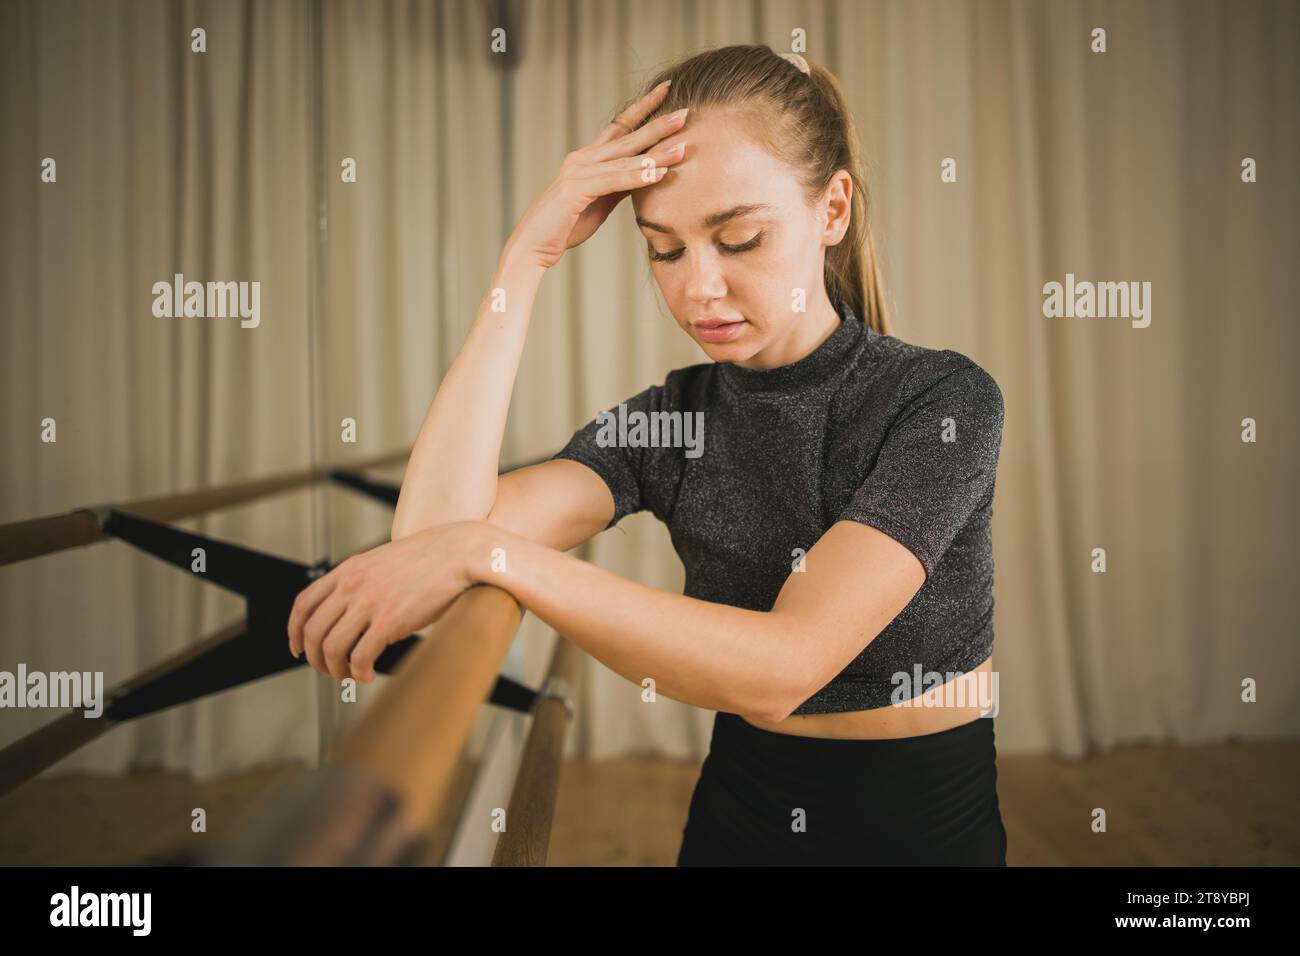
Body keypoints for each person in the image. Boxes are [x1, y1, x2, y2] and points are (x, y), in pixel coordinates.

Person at [288, 44, 1008, 866]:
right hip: (742, 817)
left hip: (925, 833)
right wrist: (524, 262)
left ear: (832, 209)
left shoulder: (942, 400)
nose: (698, 287)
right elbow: (432, 536)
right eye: (664, 250)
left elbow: (785, 665)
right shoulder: (673, 421)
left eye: (738, 239)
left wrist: (493, 555)